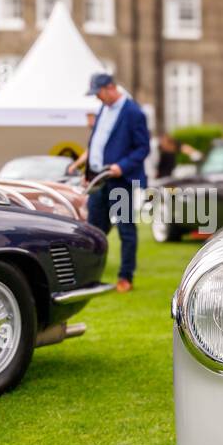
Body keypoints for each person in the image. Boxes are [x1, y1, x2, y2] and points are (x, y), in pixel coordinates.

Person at [83, 73, 149, 293]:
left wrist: (122, 165)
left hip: (120, 180)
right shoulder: (104, 109)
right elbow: (96, 143)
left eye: (99, 93)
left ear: (110, 88)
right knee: (94, 230)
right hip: (99, 180)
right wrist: (88, 172)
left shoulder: (133, 112)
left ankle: (125, 277)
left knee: (125, 229)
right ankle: (90, 276)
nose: (97, 99)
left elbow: (142, 148)